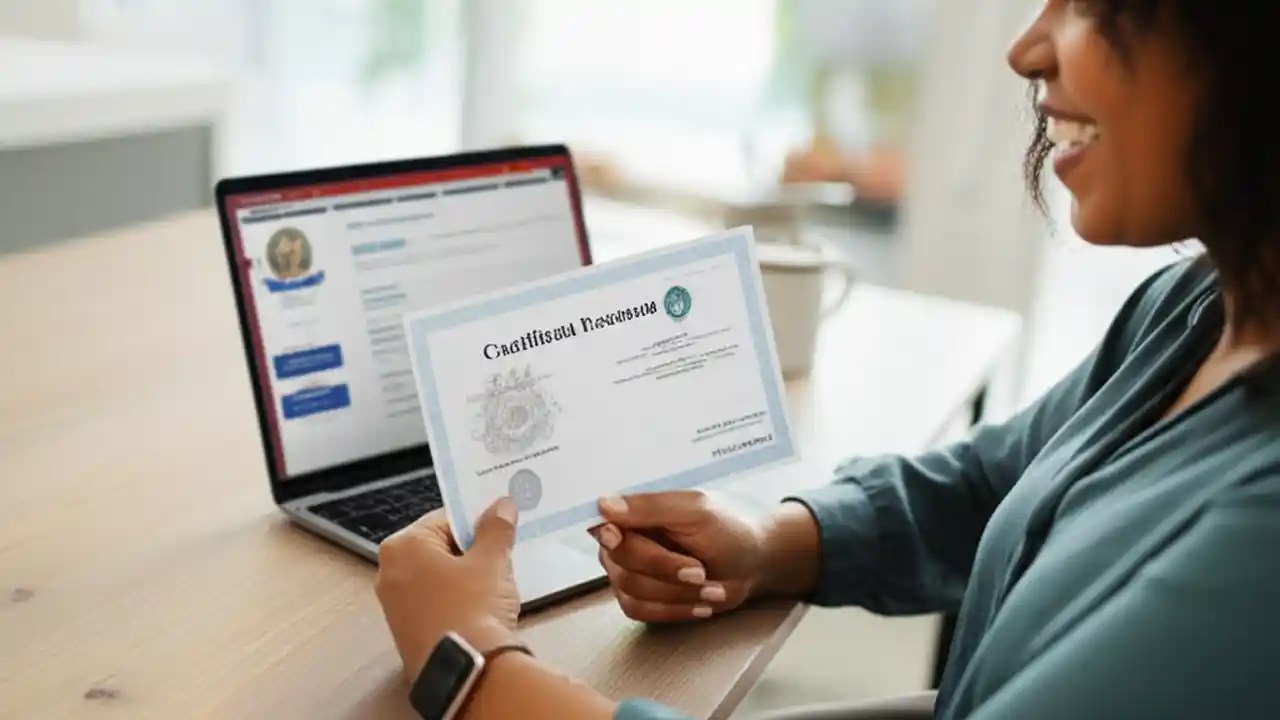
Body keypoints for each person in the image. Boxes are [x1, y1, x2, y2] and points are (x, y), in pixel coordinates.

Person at [374, 1, 1280, 717]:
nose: (1026, 48)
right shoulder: (1198, 309)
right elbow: (990, 487)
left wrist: (473, 673)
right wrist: (769, 545)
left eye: (1090, 2)